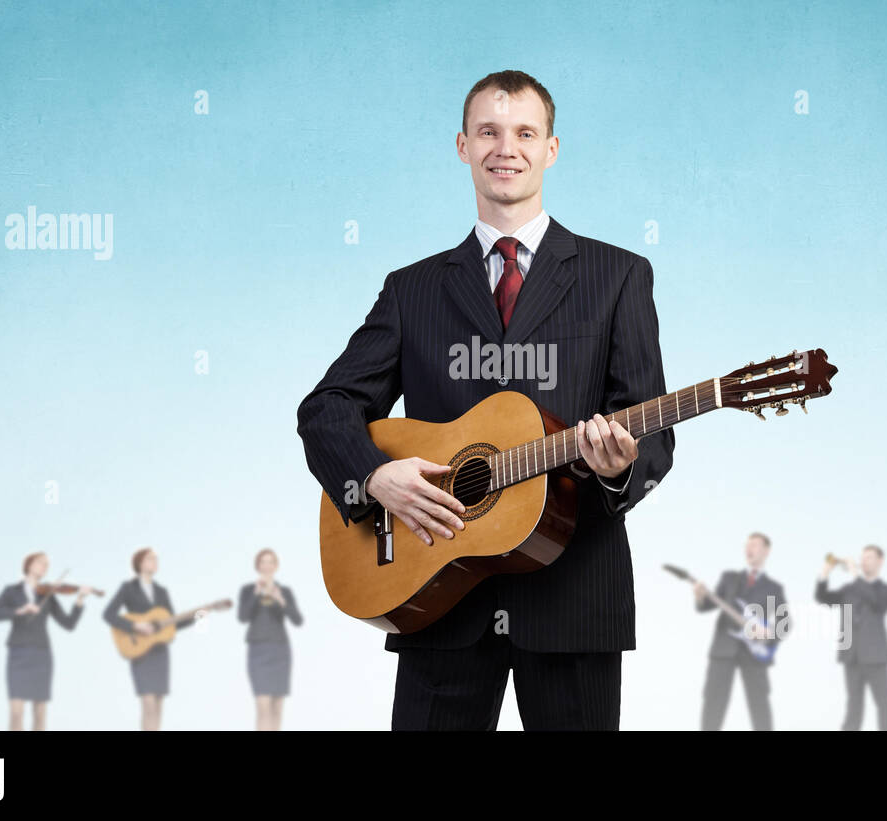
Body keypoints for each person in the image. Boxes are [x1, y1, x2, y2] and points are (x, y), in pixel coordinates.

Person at [297, 69, 674, 730]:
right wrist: (376, 476)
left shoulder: (619, 277)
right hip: (435, 597)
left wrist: (619, 471)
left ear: (551, 149)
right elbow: (326, 407)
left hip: (573, 598)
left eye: (526, 132)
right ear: (463, 146)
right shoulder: (411, 290)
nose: (508, 147)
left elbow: (655, 437)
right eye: (489, 132)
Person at [0, 552, 91, 730]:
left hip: (42, 654)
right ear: (29, 564)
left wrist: (80, 599)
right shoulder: (11, 591)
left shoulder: (47, 595)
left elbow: (69, 623)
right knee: (16, 712)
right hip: (18, 653)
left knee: (40, 712)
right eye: (40, 562)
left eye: (46, 564)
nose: (44, 567)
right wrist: (19, 610)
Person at [695, 532, 788, 730]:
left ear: (766, 551)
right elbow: (706, 607)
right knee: (713, 704)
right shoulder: (729, 579)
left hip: (755, 654)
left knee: (760, 707)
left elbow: (785, 623)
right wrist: (700, 596)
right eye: (747, 544)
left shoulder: (774, 588)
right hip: (723, 650)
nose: (749, 548)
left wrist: (768, 633)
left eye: (754, 544)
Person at [102, 547, 193, 730]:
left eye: (156, 559)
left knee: (158, 705)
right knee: (148, 704)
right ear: (140, 563)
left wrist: (198, 616)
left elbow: (171, 623)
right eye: (150, 559)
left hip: (160, 652)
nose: (155, 562)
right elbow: (108, 614)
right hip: (140, 651)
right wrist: (135, 626)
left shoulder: (162, 591)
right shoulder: (128, 588)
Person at [815, 545, 887, 730]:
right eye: (863, 557)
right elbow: (822, 597)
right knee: (853, 707)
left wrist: (855, 575)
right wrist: (825, 573)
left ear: (880, 561)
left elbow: (877, 603)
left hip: (876, 657)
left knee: (883, 705)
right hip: (850, 655)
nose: (863, 561)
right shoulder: (849, 589)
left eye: (869, 557)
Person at [238, 548, 304, 730]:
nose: (267, 566)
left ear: (275, 566)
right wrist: (256, 594)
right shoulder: (248, 590)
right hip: (258, 651)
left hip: (280, 651)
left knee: (277, 707)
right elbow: (243, 616)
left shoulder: (284, 591)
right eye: (263, 562)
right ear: (258, 566)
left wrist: (281, 600)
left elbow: (297, 619)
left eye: (270, 562)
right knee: (263, 705)